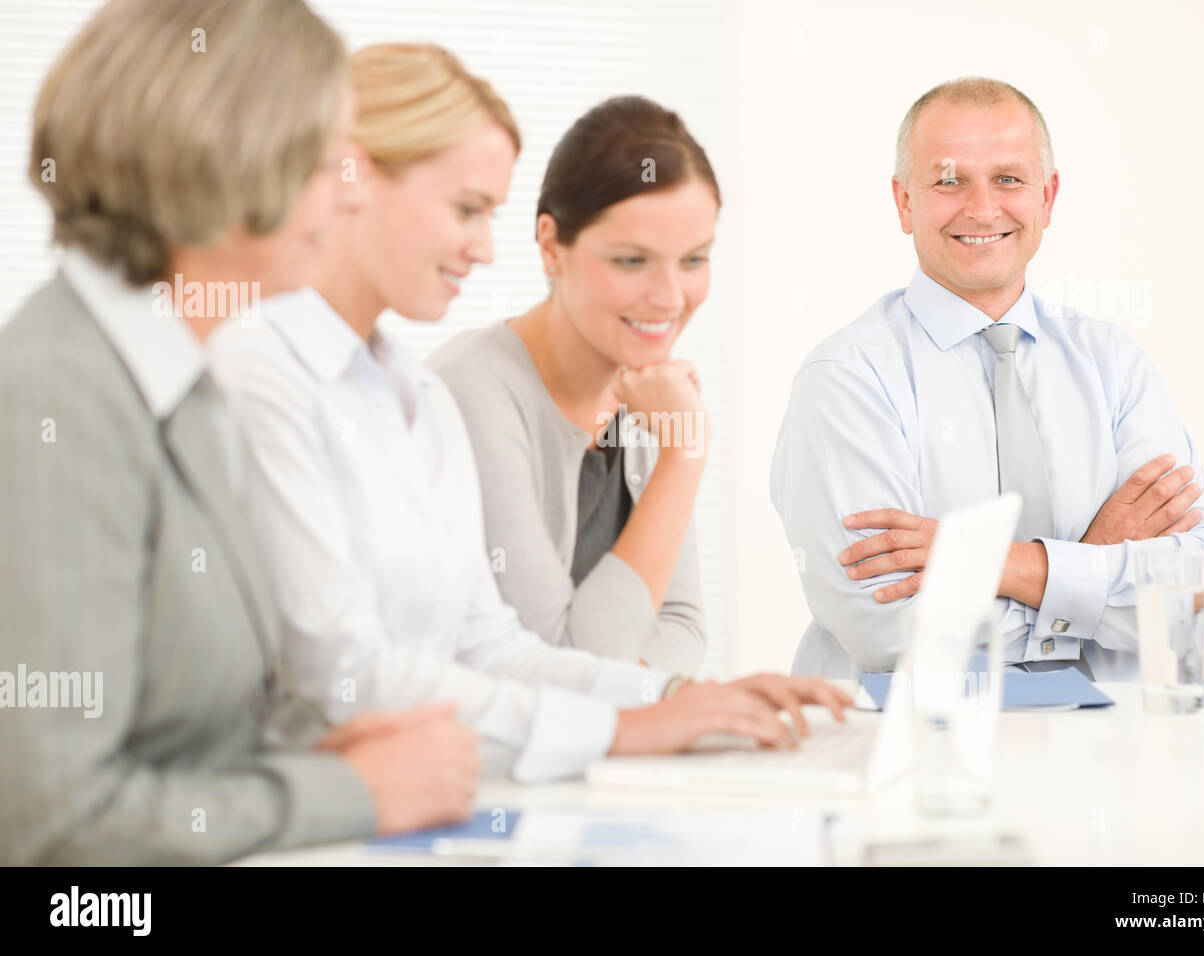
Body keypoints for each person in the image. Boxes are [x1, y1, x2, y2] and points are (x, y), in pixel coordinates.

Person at [210, 44, 852, 786]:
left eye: (693, 258)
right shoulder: (254, 375)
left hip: (423, 790)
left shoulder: (410, 396)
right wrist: (626, 723)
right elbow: (342, 674)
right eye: (465, 209)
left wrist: (676, 696)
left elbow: (491, 647)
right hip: (319, 809)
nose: (485, 249)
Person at [0, 0, 483, 866]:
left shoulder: (188, 382)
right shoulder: (57, 392)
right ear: (227, 152)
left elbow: (182, 732)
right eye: (327, 156)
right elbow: (54, 818)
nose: (349, 190)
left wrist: (303, 759)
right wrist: (349, 793)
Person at [770, 77, 1204, 682]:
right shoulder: (846, 380)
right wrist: (1097, 564)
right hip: (921, 756)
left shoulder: (1114, 365)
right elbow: (889, 628)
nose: (982, 208)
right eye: (948, 180)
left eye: (1008, 179)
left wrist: (991, 563)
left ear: (1047, 197)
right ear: (904, 202)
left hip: (1108, 756)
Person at [431, 96, 715, 673]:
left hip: (614, 752)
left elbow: (684, 624)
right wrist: (682, 458)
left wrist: (629, 693)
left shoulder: (649, 393)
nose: (668, 298)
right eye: (632, 261)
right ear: (550, 245)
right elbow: (559, 658)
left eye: (693, 259)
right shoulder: (472, 391)